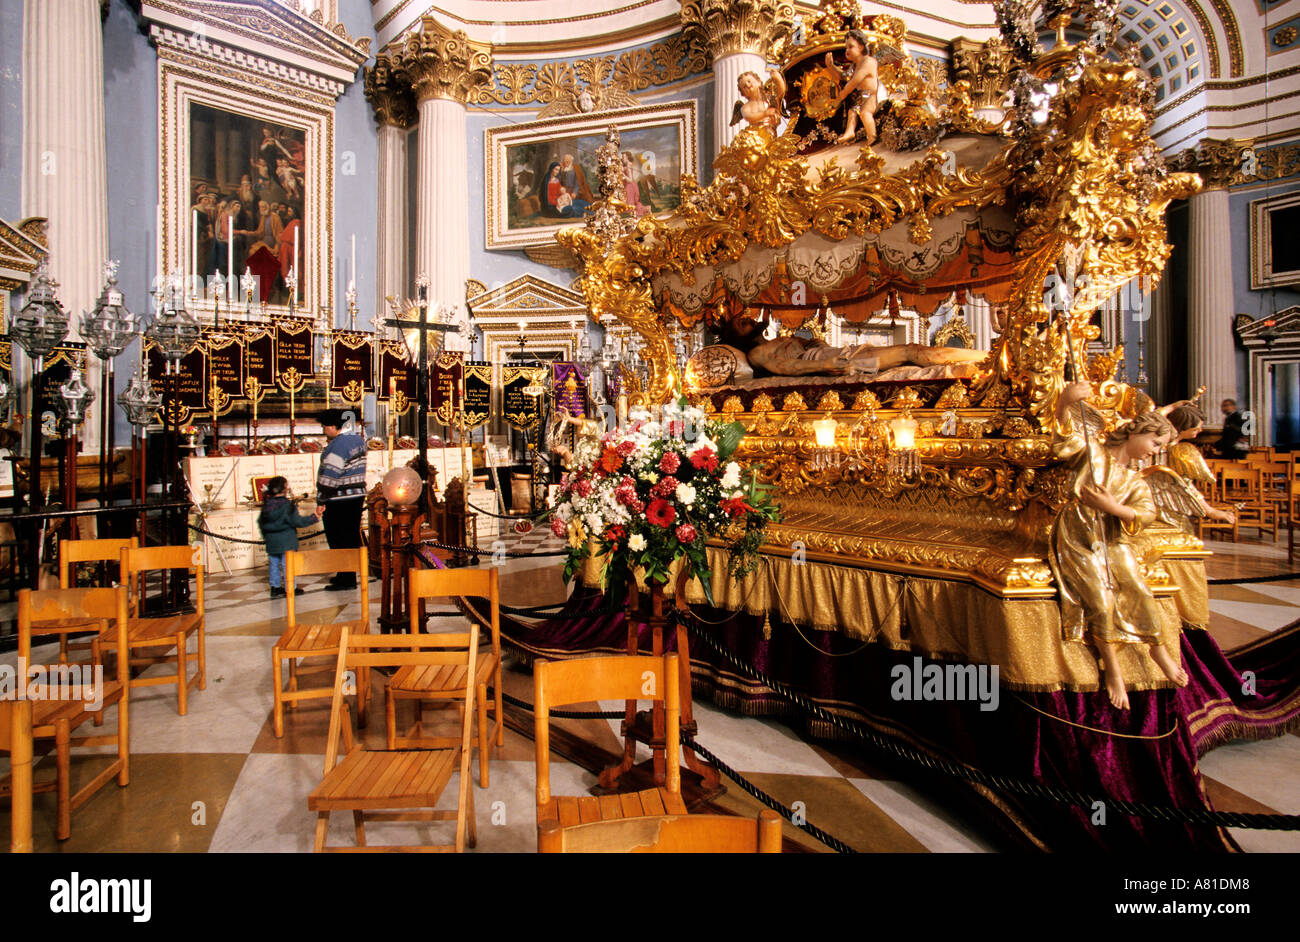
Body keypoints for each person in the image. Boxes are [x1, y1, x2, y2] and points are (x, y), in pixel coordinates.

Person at [1050, 383, 1188, 710]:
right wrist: (1065, 402)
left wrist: (1115, 509)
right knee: (1099, 598)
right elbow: (1063, 439)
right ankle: (1112, 670)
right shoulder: (1093, 452)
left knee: (1137, 588)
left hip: (1114, 537)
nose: (1156, 450)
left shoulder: (1135, 480)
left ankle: (1158, 651)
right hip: (1079, 536)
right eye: (1155, 442)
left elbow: (1147, 513)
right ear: (1135, 433)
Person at [315, 409, 368, 590]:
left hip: (338, 498)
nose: (323, 430)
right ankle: (347, 575)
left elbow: (330, 476)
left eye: (324, 426)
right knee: (351, 536)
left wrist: (321, 500)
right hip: (357, 495)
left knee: (338, 539)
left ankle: (346, 579)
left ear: (331, 426)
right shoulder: (358, 440)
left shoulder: (337, 445)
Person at [258, 476, 320, 599]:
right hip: (286, 540)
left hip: (271, 541)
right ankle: (290, 587)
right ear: (284, 489)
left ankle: (275, 588)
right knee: (288, 565)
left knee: (274, 564)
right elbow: (297, 521)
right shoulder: (287, 505)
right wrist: (314, 517)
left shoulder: (266, 504)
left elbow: (261, 523)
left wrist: (267, 536)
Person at [827, 28, 879, 144]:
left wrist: (840, 97)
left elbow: (854, 82)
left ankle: (872, 139)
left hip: (872, 95)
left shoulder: (869, 62)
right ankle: (850, 132)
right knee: (852, 111)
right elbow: (843, 76)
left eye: (850, 47)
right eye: (846, 48)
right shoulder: (855, 65)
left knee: (865, 113)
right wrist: (831, 66)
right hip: (861, 97)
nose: (847, 50)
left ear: (861, 47)